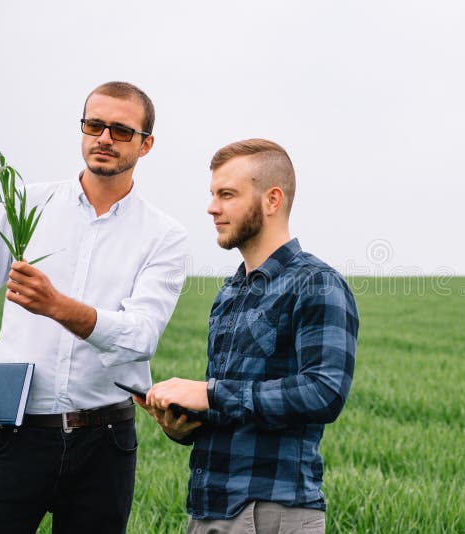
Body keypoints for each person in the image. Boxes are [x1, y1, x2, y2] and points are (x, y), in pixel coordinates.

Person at [0, 81, 188, 533]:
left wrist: (56, 306)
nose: (104, 137)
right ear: (83, 129)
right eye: (94, 124)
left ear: (146, 145)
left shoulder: (165, 236)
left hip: (105, 443)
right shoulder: (25, 204)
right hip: (9, 434)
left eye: (121, 131)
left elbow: (140, 335)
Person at [136, 139, 359, 533]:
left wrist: (208, 393)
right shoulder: (230, 293)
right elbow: (237, 405)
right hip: (207, 508)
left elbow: (324, 393)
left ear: (272, 200)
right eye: (212, 195)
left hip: (271, 511)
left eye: (227, 195)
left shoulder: (316, 283)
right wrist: (186, 424)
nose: (211, 207)